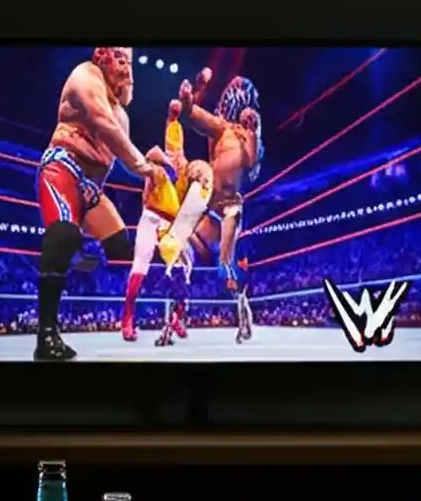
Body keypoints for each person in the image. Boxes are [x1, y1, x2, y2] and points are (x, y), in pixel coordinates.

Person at [34, 47, 165, 361]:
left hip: (92, 189)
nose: (126, 68)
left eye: (129, 62)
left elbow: (117, 152)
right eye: (120, 59)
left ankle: (82, 250)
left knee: (122, 246)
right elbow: (103, 124)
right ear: (103, 57)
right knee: (64, 234)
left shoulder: (123, 113)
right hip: (62, 168)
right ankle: (46, 336)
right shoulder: (86, 75)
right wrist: (144, 166)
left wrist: (152, 165)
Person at [177, 67, 264, 339]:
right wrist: (193, 93)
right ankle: (178, 312)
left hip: (230, 206)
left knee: (225, 263)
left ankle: (242, 312)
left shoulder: (250, 137)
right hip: (209, 205)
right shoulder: (221, 128)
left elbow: (252, 166)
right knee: (183, 249)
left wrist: (253, 132)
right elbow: (191, 116)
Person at [122, 100, 214, 342]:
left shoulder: (189, 179)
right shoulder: (158, 166)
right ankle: (128, 319)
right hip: (151, 217)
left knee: (187, 266)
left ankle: (177, 317)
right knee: (140, 264)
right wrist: (172, 118)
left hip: (172, 227)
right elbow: (154, 151)